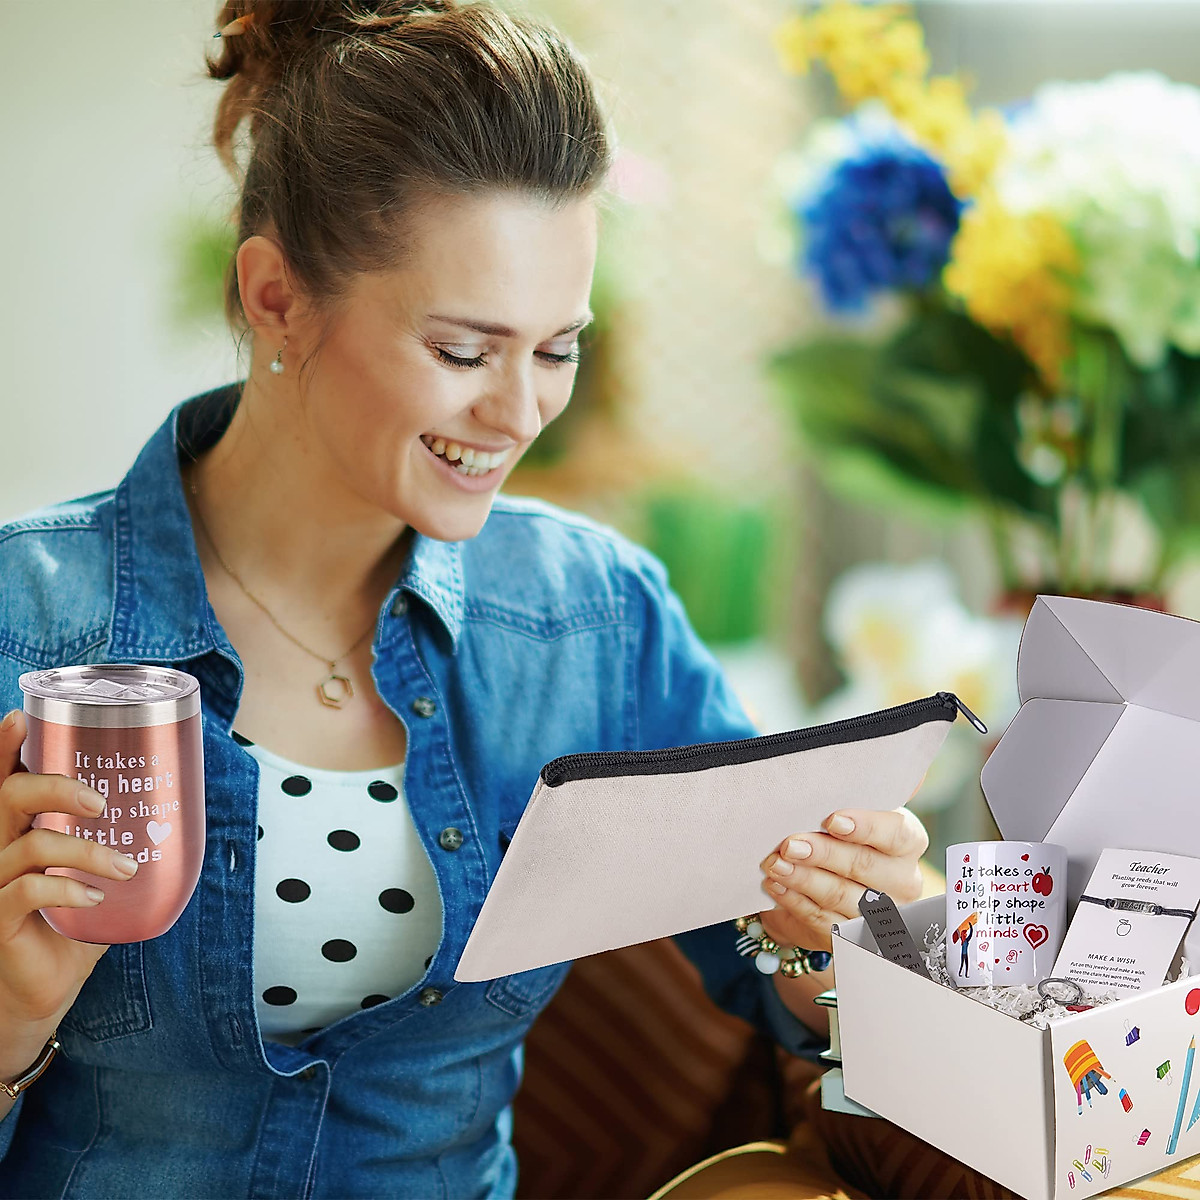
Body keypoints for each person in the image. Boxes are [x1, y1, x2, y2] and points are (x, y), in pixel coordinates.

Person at [0, 2, 930, 1196]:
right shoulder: (29, 619)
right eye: (463, 350)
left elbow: (780, 977)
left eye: (557, 349)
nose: (521, 412)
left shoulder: (590, 614)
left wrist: (852, 933)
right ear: (277, 297)